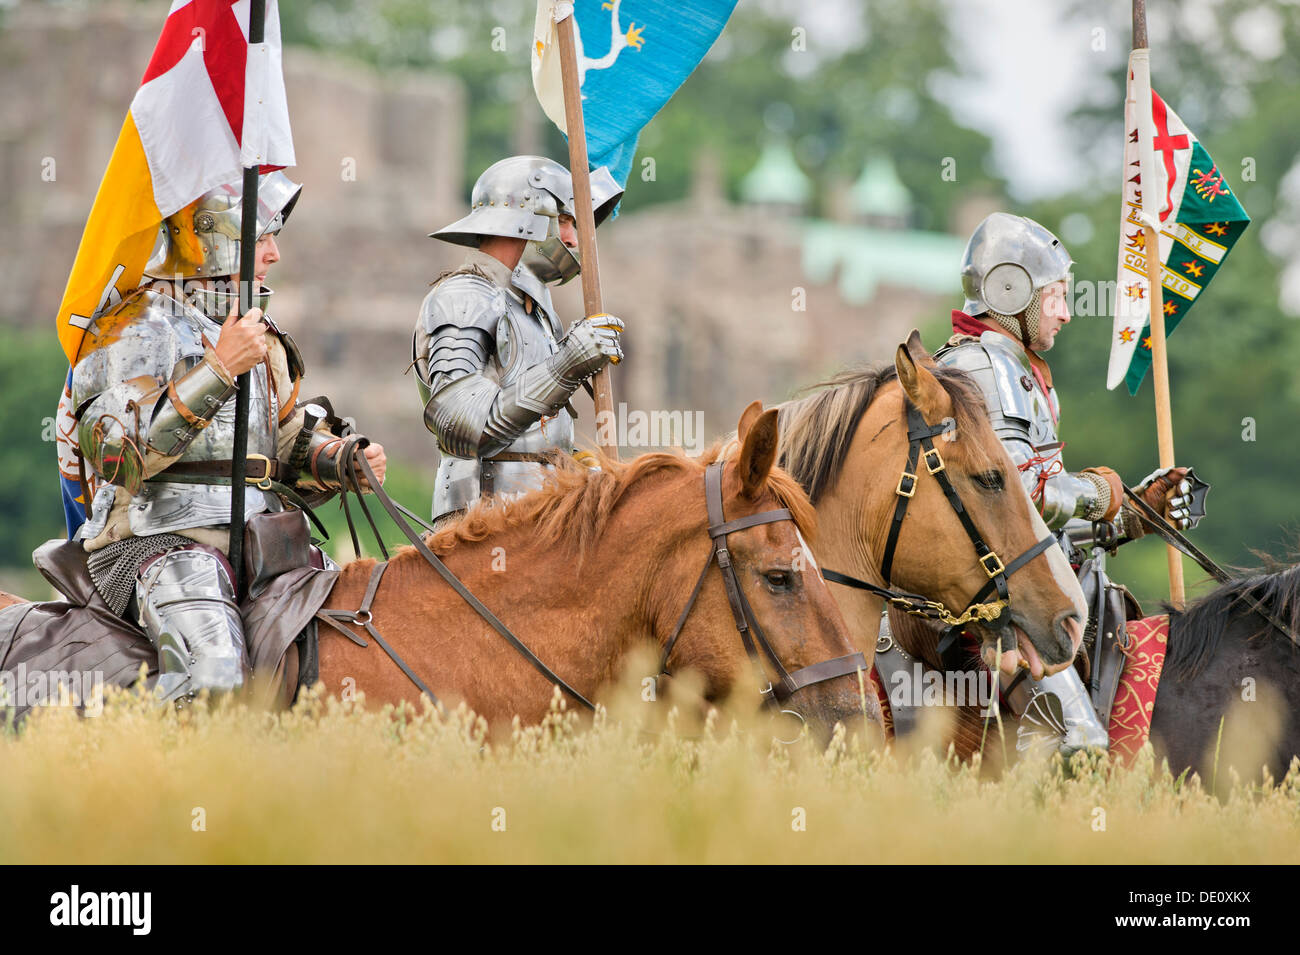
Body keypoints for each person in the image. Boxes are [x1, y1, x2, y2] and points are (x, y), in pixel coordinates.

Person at [69, 171, 386, 705]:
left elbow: (281, 441)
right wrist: (219, 367)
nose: (274, 255)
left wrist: (338, 459)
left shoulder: (259, 332)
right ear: (215, 238)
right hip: (160, 537)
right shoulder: (133, 325)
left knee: (366, 639)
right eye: (262, 238)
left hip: (264, 538)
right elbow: (116, 456)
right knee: (214, 679)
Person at [934, 212, 1194, 755]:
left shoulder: (1013, 366)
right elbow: (1017, 503)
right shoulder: (986, 367)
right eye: (1055, 296)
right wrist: (1101, 496)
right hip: (998, 604)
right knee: (1079, 748)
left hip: (1040, 583)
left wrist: (1136, 512)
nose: (1067, 313)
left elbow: (1044, 530)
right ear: (1012, 290)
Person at [412, 155, 624, 524]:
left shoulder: (532, 310)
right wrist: (569, 364)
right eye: (565, 221)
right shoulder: (465, 297)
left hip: (541, 520)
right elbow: (462, 429)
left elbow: (529, 441)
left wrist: (576, 466)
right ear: (525, 217)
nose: (574, 239)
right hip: (481, 521)